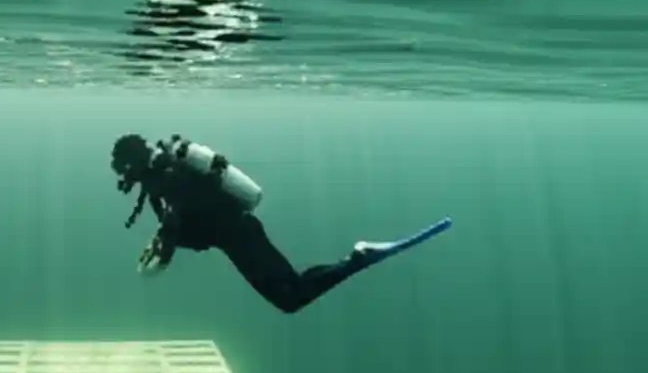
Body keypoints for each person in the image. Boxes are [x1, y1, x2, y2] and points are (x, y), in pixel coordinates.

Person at [111, 133, 450, 314]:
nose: (126, 180)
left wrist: (158, 256)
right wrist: (165, 238)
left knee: (291, 298)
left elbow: (183, 228)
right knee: (292, 292)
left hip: (242, 239)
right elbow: (192, 223)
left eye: (125, 172)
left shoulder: (168, 181)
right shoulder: (170, 174)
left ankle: (358, 258)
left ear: (134, 165)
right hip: (241, 235)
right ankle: (355, 259)